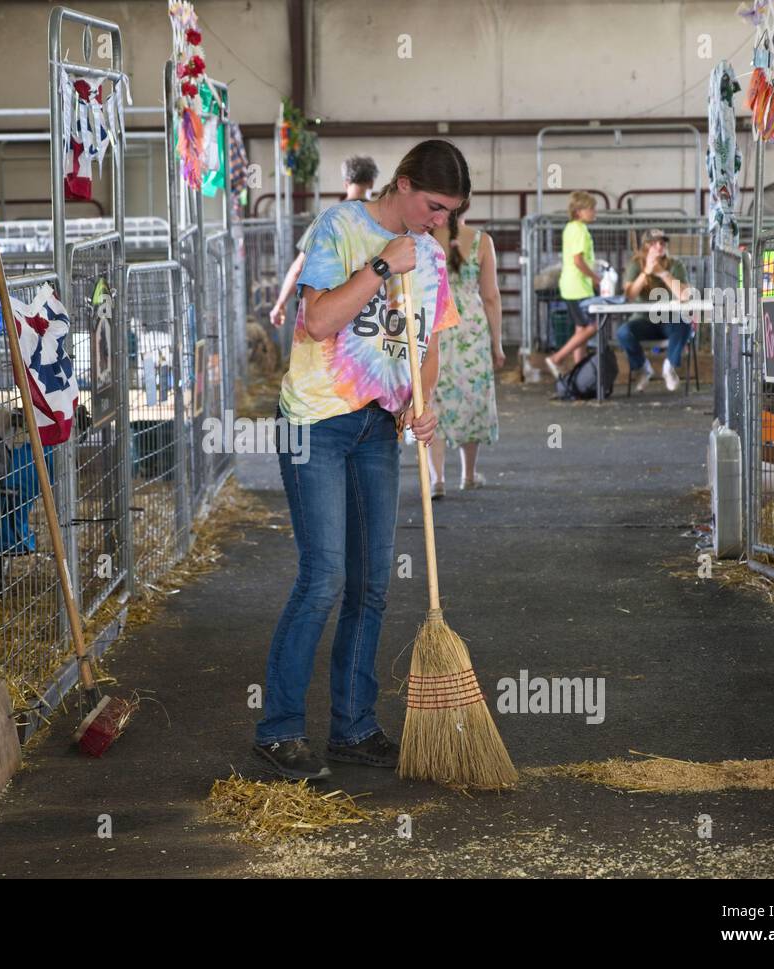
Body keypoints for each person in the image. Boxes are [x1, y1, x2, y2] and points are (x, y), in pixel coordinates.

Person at [254, 139, 469, 780]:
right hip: (313, 423)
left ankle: (353, 725)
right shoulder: (338, 229)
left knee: (372, 583)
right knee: (323, 577)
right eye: (434, 206)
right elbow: (316, 322)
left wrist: (420, 403)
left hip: (377, 427)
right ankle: (278, 729)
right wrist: (380, 267)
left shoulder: (431, 256)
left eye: (448, 212)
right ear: (402, 184)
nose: (439, 222)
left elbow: (426, 341)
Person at [426, 208, 503, 496]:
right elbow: (491, 296)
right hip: (470, 328)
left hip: (433, 324)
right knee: (472, 395)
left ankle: (437, 479)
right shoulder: (482, 241)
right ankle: (468, 474)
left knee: (432, 398)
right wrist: (497, 343)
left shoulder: (423, 237)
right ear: (467, 206)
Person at [270, 155, 379, 328]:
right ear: (372, 183)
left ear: (346, 182)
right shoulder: (382, 222)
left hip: (331, 314)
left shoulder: (328, 220)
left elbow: (299, 268)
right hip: (373, 318)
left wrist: (280, 304)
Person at [614, 228, 691, 392]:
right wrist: (646, 272)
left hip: (669, 319)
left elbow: (684, 295)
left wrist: (662, 273)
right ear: (646, 246)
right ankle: (642, 367)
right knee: (623, 333)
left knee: (685, 323)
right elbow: (629, 295)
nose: (659, 246)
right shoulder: (635, 264)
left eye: (662, 242)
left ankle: (669, 366)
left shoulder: (675, 264)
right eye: (654, 242)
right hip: (643, 320)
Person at [544, 191, 602, 380]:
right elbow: (578, 260)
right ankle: (557, 358)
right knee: (592, 327)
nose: (594, 212)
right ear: (578, 211)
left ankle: (578, 372)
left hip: (571, 285)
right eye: (590, 208)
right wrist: (595, 277)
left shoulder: (571, 227)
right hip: (578, 287)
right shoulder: (579, 230)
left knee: (581, 329)